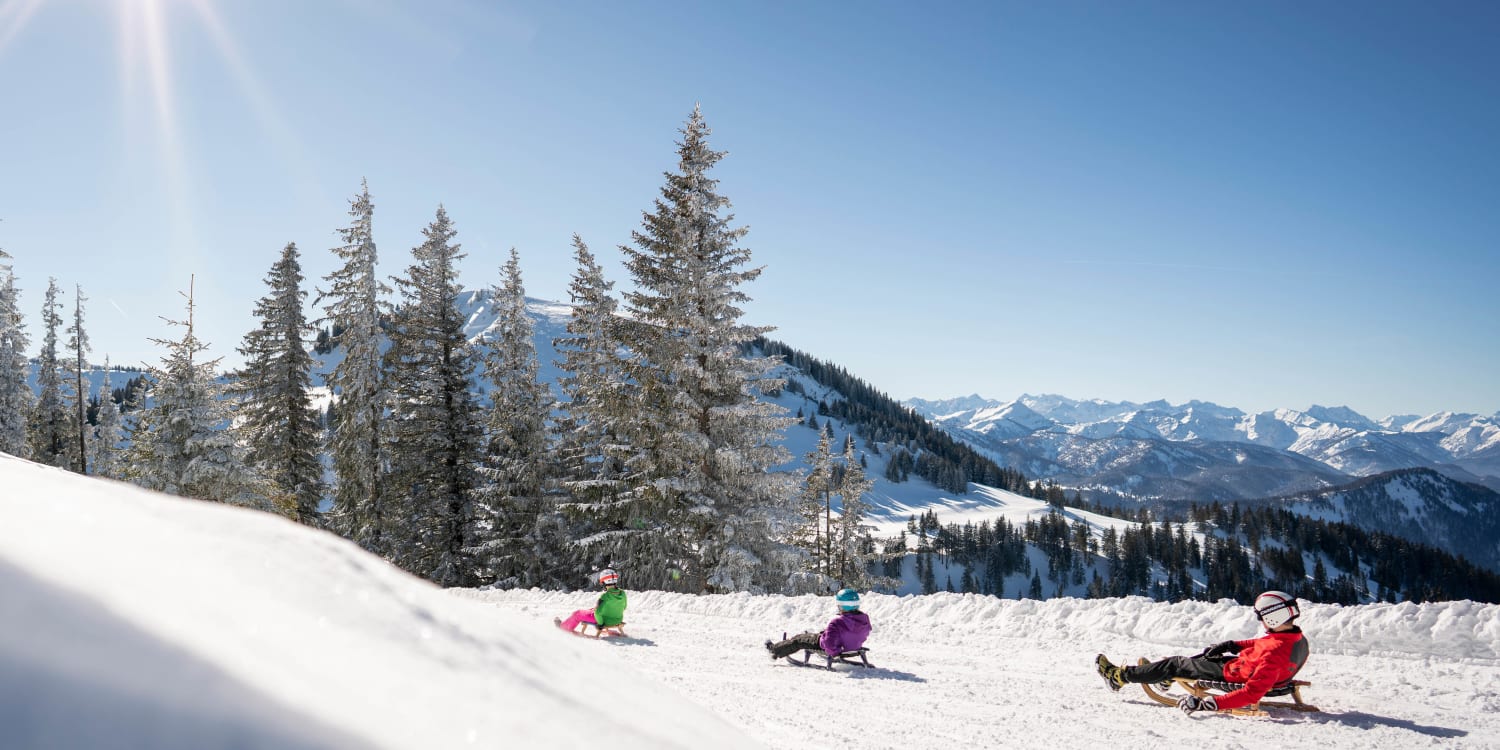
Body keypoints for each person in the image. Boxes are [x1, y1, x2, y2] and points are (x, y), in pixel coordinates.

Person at [1095, 590, 1307, 715]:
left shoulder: (1274, 655)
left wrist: (1209, 704)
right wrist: (1231, 645)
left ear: (1272, 617)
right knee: (1206, 656)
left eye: (1261, 616)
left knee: (1176, 663)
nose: (1260, 621)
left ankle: (1119, 677)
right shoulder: (1295, 639)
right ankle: (1163, 677)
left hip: (1231, 674)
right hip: (1242, 666)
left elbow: (1252, 693)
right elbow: (1263, 644)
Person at [765, 588, 872, 660]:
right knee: (814, 635)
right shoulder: (864, 620)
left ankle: (774, 651)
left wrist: (835, 652)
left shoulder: (837, 623)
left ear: (843, 606)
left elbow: (829, 645)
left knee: (798, 640)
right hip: (852, 647)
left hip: (827, 646)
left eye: (839, 605)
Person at [556, 568, 627, 634]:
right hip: (617, 620)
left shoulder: (605, 596)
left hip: (603, 621)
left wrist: (600, 624)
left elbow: (597, 613)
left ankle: (563, 627)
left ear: (604, 582)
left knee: (577, 613)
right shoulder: (622, 593)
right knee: (592, 609)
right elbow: (624, 607)